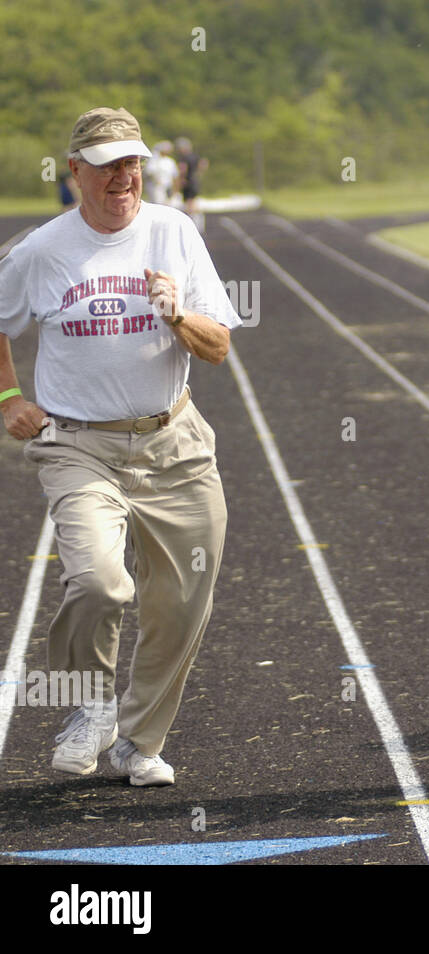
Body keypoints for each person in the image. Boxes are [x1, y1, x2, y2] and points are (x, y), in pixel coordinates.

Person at [0, 107, 241, 785]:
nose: (122, 178)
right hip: (79, 446)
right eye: (105, 166)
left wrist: (176, 313)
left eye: (130, 163)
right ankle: (91, 707)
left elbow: (219, 346)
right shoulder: (41, 250)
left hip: (175, 442)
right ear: (76, 171)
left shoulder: (175, 233)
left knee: (183, 599)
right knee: (102, 583)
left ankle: (141, 743)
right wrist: (9, 400)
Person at [175, 137, 208, 233]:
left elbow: (183, 169)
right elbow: (203, 163)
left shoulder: (184, 157)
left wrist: (181, 179)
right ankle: (199, 223)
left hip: (189, 182)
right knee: (193, 202)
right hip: (194, 181)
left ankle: (194, 226)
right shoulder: (195, 156)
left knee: (189, 204)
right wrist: (198, 174)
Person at [143, 140, 180, 207]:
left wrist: (175, 190)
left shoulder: (170, 161)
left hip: (168, 188)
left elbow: (175, 176)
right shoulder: (154, 160)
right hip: (156, 187)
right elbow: (150, 172)